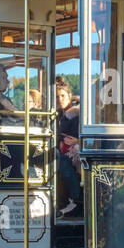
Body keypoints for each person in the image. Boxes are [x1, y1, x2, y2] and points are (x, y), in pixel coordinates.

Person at [54, 78, 84, 217]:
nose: (60, 99)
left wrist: (77, 140)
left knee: (62, 161)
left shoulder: (77, 112)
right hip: (63, 149)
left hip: (77, 149)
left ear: (69, 95)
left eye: (63, 96)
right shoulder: (57, 114)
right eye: (57, 96)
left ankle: (76, 200)